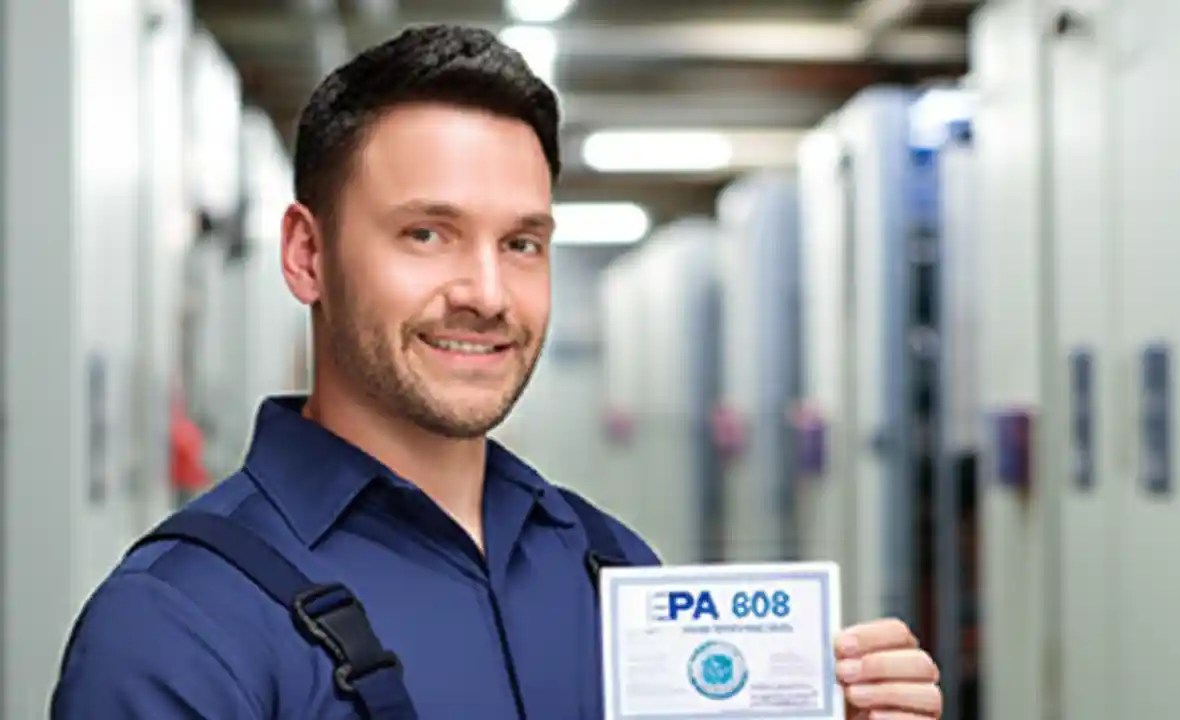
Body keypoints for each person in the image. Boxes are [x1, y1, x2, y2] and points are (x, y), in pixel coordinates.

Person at [51, 25, 943, 719]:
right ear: (306, 254)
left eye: (521, 243)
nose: (486, 293)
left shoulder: (612, 572)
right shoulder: (178, 626)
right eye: (426, 234)